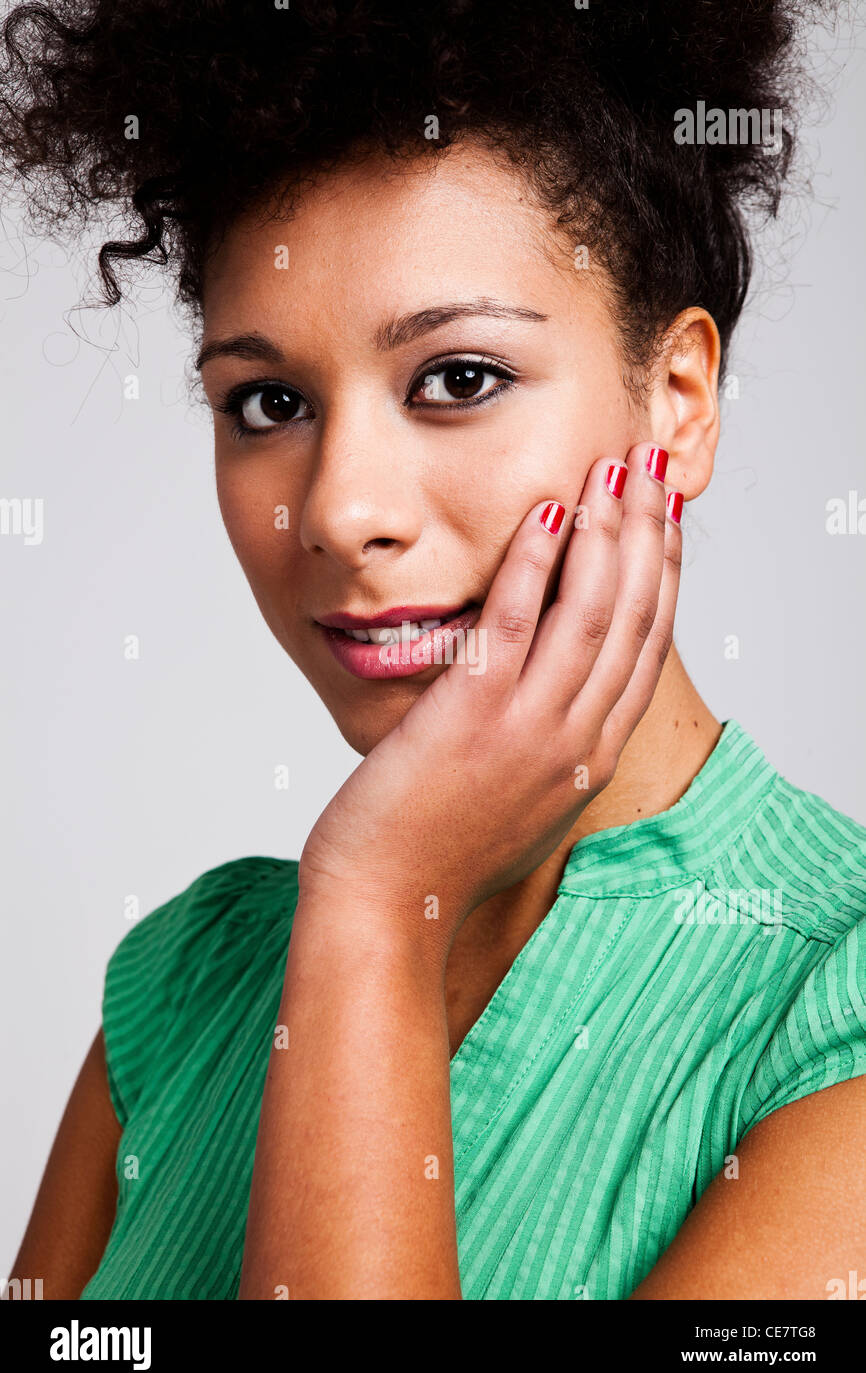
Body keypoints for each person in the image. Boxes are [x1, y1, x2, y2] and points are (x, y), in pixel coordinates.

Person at [4, 0, 865, 1301]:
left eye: (458, 377)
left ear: (678, 400)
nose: (344, 510)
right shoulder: (186, 984)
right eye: (269, 403)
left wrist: (371, 911)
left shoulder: (827, 1005)